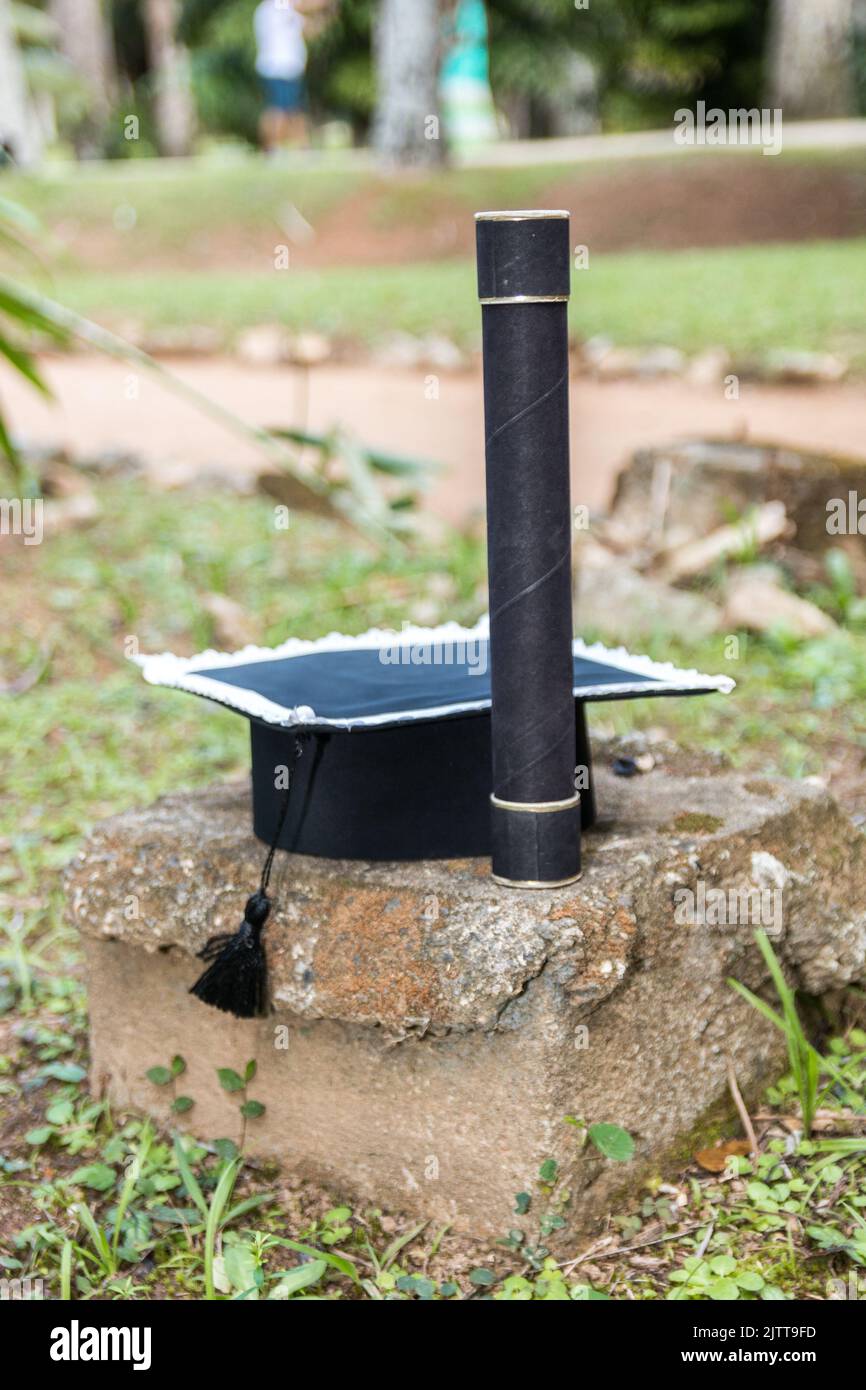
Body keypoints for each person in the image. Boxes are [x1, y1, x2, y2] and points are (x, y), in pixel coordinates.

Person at [253, 0, 310, 152]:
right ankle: (273, 148)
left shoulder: (274, 8)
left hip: (283, 66)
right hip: (280, 66)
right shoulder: (275, 6)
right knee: (279, 109)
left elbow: (305, 26)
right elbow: (304, 5)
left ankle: (297, 147)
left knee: (292, 108)